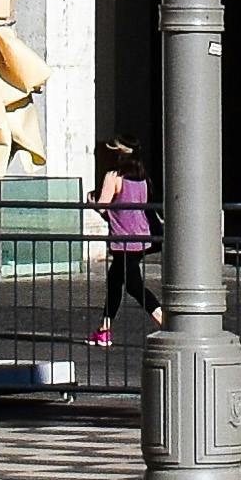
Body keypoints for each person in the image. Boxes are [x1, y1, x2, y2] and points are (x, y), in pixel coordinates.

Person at [94, 139, 157, 346]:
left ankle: (164, 320)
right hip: (140, 237)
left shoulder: (113, 177)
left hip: (123, 239)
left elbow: (103, 206)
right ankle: (104, 329)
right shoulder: (142, 178)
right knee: (114, 282)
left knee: (133, 286)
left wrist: (90, 200)